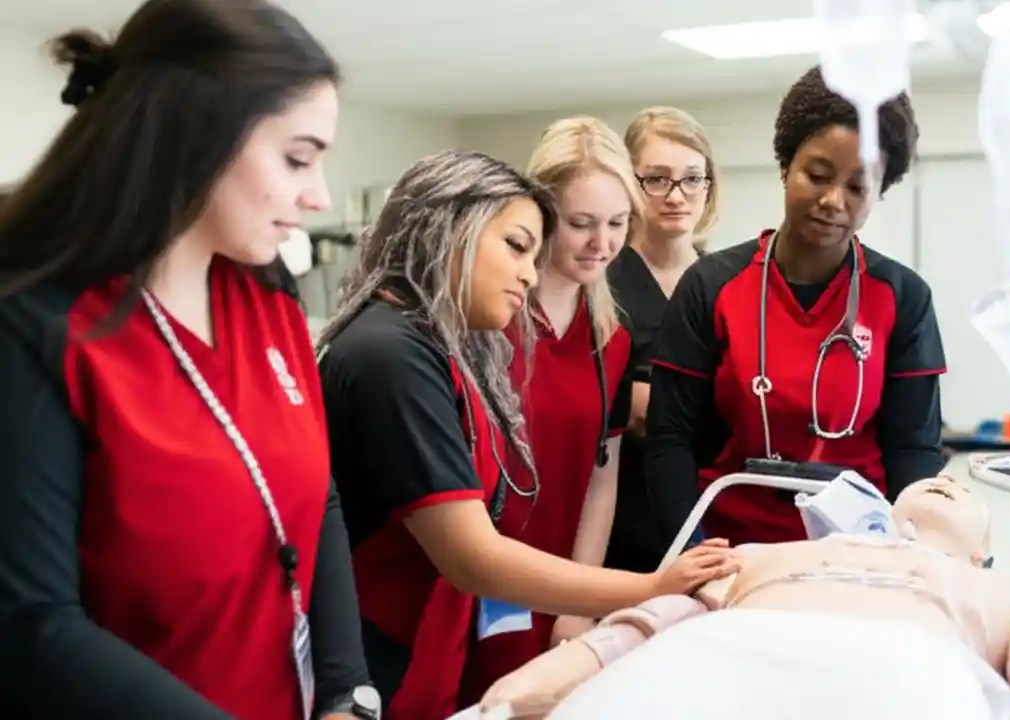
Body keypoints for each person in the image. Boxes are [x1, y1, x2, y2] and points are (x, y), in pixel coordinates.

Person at [0, 1, 375, 718]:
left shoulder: (267, 291)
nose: (318, 193)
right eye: (297, 158)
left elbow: (312, 496)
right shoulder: (37, 322)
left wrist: (346, 693)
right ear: (195, 134)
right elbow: (32, 624)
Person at [316, 149, 738, 719]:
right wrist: (649, 588)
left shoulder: (445, 349)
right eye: (516, 247)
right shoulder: (389, 355)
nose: (528, 273)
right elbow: (471, 555)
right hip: (373, 645)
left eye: (535, 254)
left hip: (425, 632)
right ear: (451, 230)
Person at [478, 475, 1010, 720]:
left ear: (984, 551)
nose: (946, 481)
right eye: (932, 479)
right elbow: (659, 619)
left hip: (898, 674)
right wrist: (550, 679)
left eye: (964, 493)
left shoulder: (1000, 585)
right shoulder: (768, 555)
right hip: (717, 659)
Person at [645, 66, 948, 551]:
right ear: (786, 166)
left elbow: (914, 451)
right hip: (730, 552)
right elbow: (670, 443)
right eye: (818, 175)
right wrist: (693, 554)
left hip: (859, 552)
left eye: (858, 187)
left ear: (879, 193)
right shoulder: (711, 286)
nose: (833, 201)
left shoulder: (902, 296)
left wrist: (911, 553)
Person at [463, 117, 645, 691]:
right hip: (478, 579)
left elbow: (603, 474)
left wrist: (578, 596)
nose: (602, 244)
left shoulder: (611, 340)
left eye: (617, 224)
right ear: (540, 218)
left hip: (561, 582)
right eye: (581, 224)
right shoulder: (488, 321)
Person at [605, 106, 722, 574]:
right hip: (629, 507)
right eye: (656, 179)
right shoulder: (604, 281)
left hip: (716, 499)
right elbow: (615, 405)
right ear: (629, 183)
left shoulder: (725, 279)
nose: (677, 195)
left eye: (693, 178)